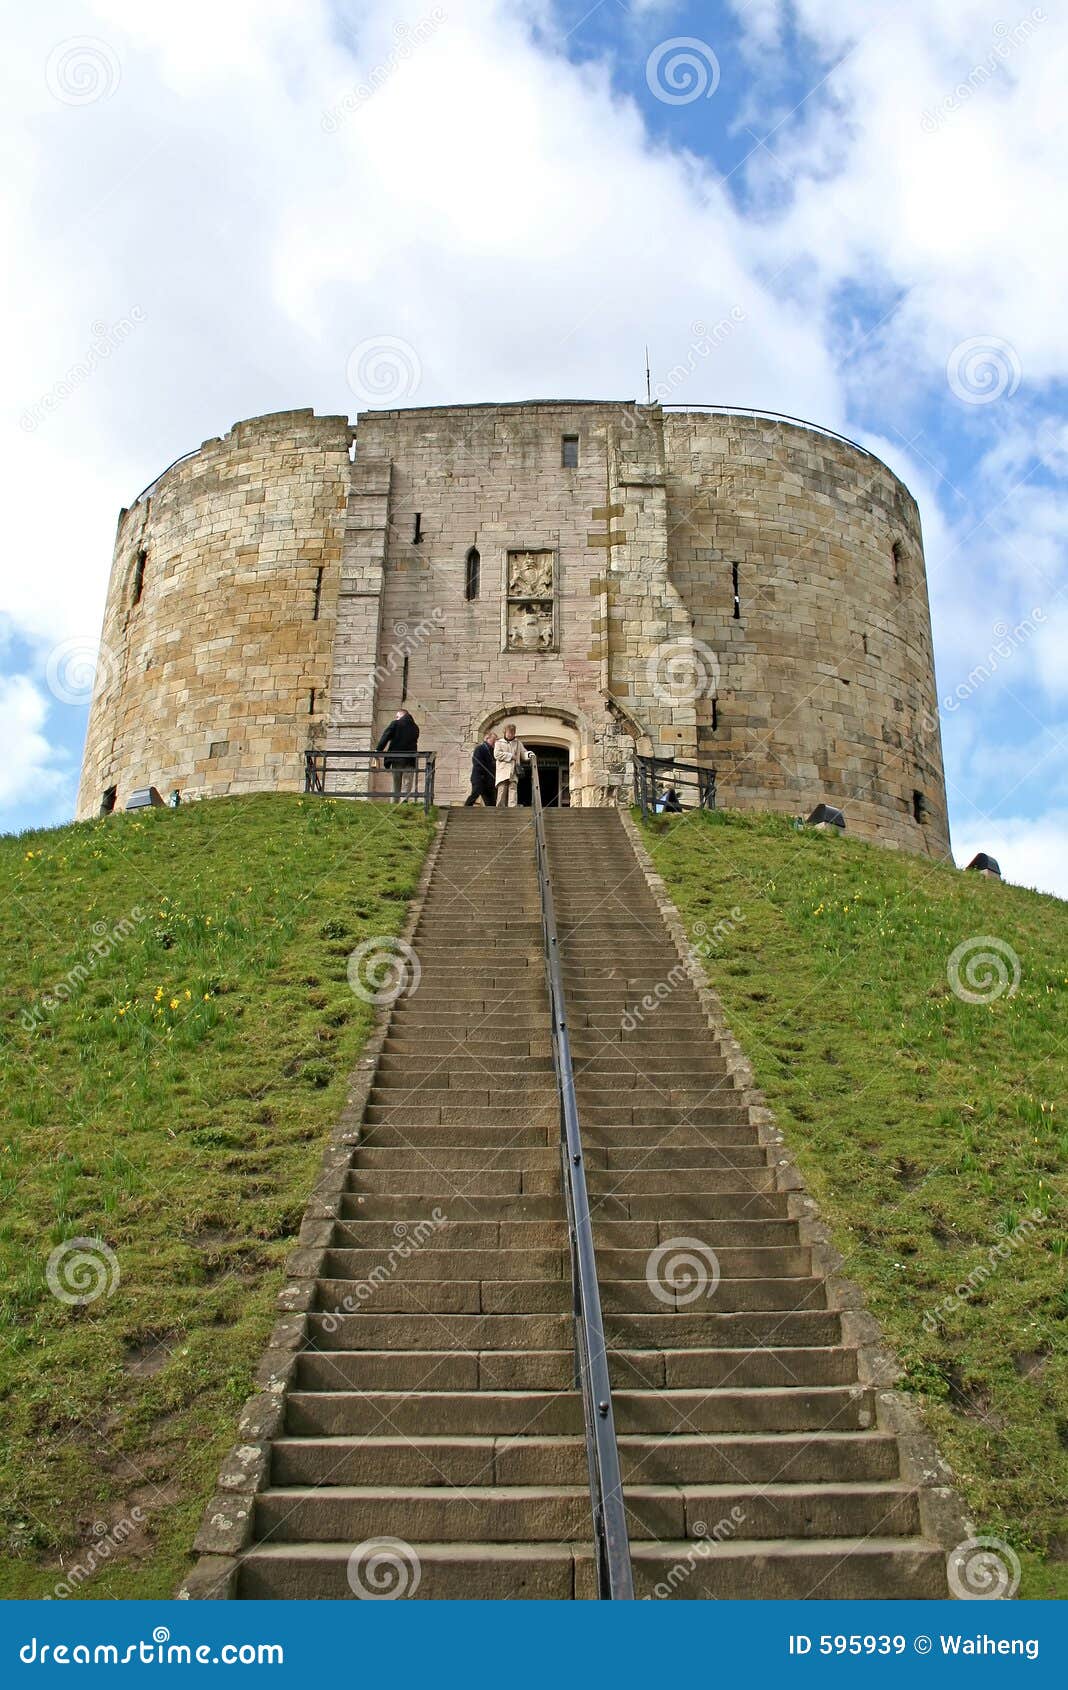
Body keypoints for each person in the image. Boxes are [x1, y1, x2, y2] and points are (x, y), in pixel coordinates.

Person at [374, 709, 420, 802]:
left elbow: (386, 736)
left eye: (397, 716)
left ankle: (394, 802)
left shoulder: (396, 723)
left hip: (396, 757)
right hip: (410, 758)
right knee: (407, 781)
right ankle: (404, 801)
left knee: (396, 781)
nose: (396, 718)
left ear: (402, 715)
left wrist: (378, 750)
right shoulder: (415, 727)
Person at [493, 723, 529, 807]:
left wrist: (529, 754)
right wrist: (510, 756)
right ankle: (500, 808)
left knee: (513, 789)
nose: (510, 734)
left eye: (512, 733)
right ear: (505, 732)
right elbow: (497, 754)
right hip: (503, 771)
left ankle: (512, 808)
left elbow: (523, 753)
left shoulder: (518, 743)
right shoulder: (499, 743)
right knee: (502, 789)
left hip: (513, 770)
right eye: (509, 733)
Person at [464, 732, 498, 806]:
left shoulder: (493, 751)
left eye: (496, 740)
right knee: (475, 794)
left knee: (491, 802)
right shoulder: (480, 748)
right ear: (487, 738)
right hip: (479, 777)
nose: (495, 742)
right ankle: (465, 808)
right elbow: (477, 763)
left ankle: (492, 816)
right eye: (494, 740)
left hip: (489, 780)